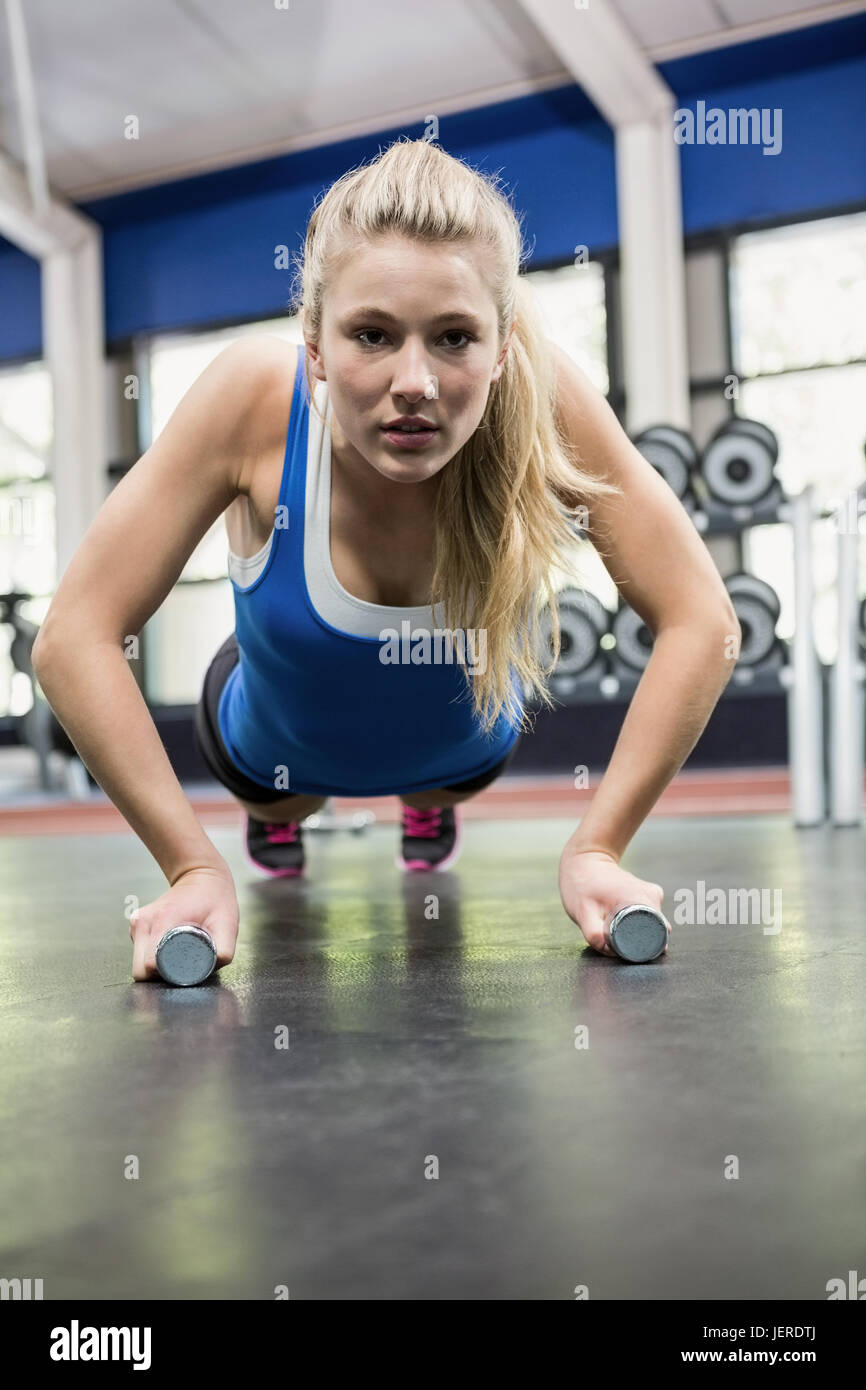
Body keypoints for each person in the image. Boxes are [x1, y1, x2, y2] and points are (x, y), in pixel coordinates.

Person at [32, 138, 740, 981]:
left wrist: (600, 844)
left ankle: (421, 806)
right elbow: (72, 637)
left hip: (460, 752)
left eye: (453, 338)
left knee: (441, 778)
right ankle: (282, 820)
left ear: (503, 345)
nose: (416, 382)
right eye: (372, 334)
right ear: (316, 344)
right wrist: (193, 865)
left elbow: (703, 620)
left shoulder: (544, 396)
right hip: (273, 751)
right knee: (285, 786)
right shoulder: (254, 397)